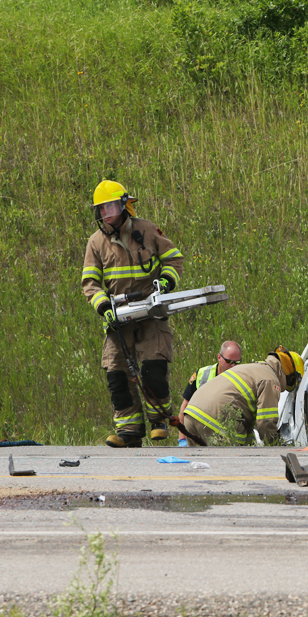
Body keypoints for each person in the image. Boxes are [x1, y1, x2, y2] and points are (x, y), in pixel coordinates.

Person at [81, 180, 184, 448]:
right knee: (116, 373)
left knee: (153, 368)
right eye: (102, 208)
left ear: (124, 205)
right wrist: (104, 307)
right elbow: (90, 283)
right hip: (119, 318)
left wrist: (165, 281)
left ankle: (159, 421)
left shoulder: (147, 230)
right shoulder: (96, 242)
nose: (106, 213)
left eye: (111, 206)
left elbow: (173, 259)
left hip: (151, 314)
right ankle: (129, 430)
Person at [181, 347, 304, 446]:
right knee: (235, 463)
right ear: (290, 376)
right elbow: (266, 422)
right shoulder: (270, 380)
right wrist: (274, 445)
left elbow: (249, 423)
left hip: (191, 415)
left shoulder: (251, 368)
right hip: (214, 419)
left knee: (201, 468)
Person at [177, 341, 243, 446]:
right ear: (219, 357)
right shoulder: (202, 375)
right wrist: (182, 438)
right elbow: (185, 406)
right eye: (229, 361)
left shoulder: (242, 378)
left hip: (226, 434)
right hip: (199, 430)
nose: (233, 366)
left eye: (237, 362)